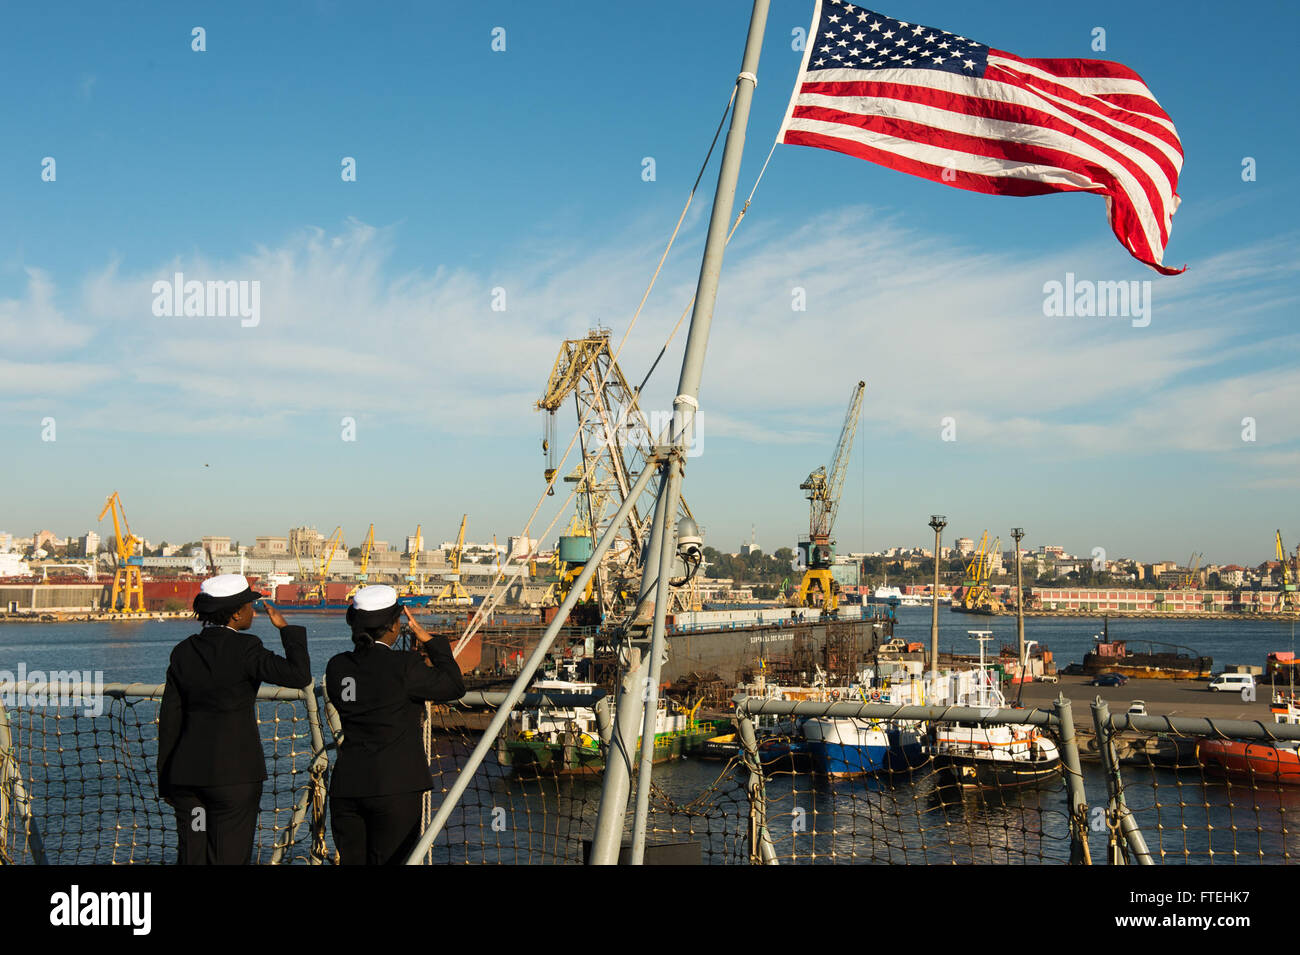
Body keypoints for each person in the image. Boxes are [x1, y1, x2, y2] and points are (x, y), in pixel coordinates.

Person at [157, 574, 311, 865]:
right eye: (250, 607)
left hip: (187, 781)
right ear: (238, 613)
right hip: (234, 778)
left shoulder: (183, 651)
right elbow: (298, 675)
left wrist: (167, 781)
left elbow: (170, 719)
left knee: (192, 856)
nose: (253, 612)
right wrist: (285, 629)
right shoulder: (246, 649)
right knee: (228, 857)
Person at [326, 585, 465, 865]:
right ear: (393, 626)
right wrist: (431, 641)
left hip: (348, 786)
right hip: (396, 787)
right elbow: (454, 686)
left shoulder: (337, 666)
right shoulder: (405, 666)